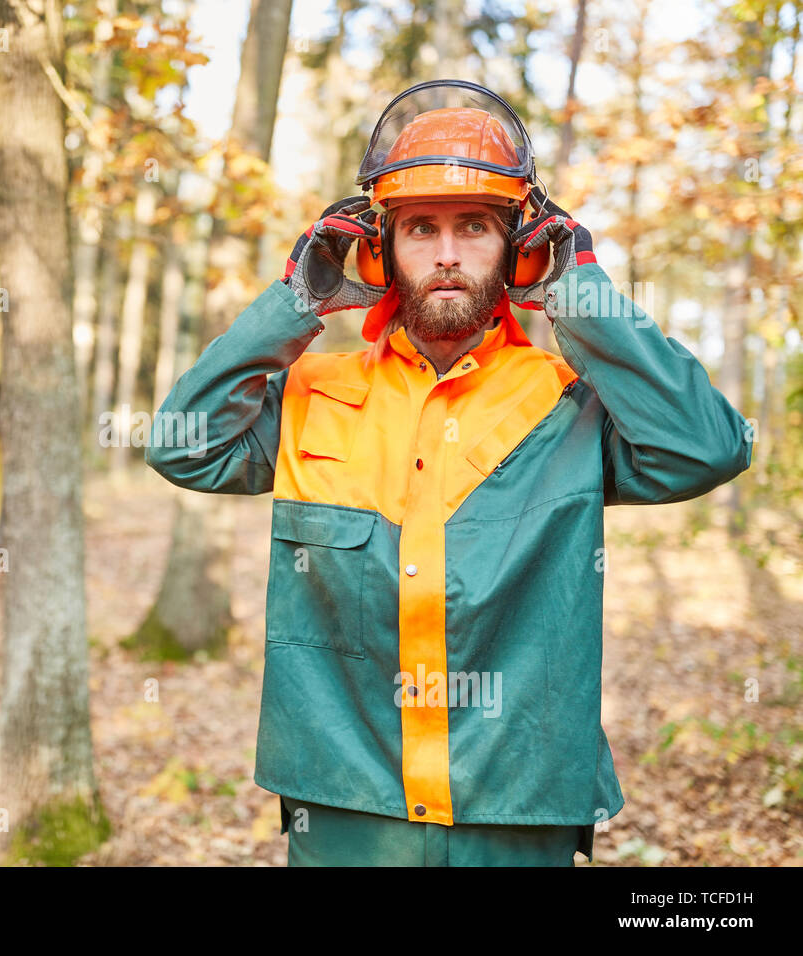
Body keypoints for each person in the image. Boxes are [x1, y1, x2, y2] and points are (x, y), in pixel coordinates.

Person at [144, 80, 753, 867]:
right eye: (420, 228)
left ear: (517, 249)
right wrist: (296, 301)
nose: (446, 254)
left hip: (515, 812)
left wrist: (579, 288)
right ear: (379, 250)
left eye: (474, 227)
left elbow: (709, 445)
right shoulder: (314, 396)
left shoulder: (566, 404)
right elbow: (178, 445)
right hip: (345, 816)